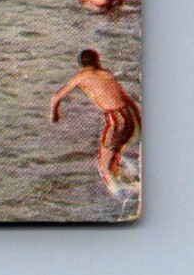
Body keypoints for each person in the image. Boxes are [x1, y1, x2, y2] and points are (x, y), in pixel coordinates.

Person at [49, 48, 140, 192]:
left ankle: (121, 193)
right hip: (129, 116)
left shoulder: (81, 76)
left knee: (102, 165)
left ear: (81, 65)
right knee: (113, 156)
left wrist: (54, 115)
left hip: (115, 118)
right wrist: (139, 125)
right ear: (97, 60)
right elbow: (129, 102)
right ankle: (129, 184)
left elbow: (56, 97)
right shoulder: (106, 74)